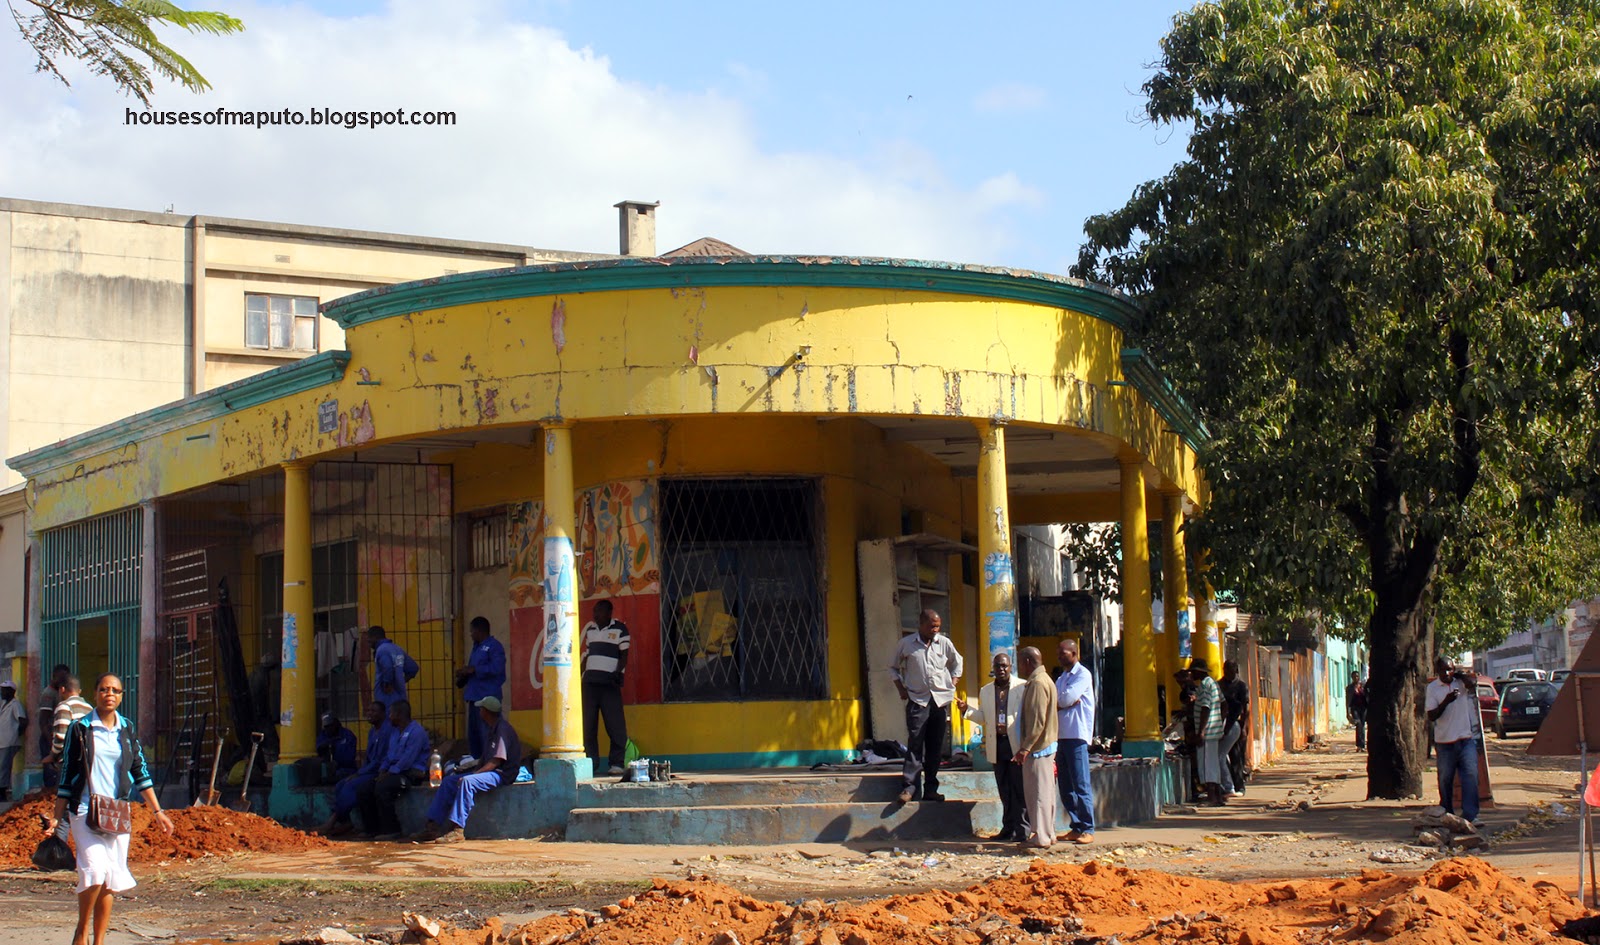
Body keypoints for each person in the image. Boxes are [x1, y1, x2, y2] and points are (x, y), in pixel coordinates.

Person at [45, 673, 174, 945]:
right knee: (94, 869)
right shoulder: (80, 728)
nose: (110, 694)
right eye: (104, 689)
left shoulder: (126, 728)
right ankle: (81, 933)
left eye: (115, 690)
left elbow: (140, 772)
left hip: (116, 813)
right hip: (83, 809)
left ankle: (99, 940)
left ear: (122, 695)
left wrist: (158, 811)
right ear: (95, 694)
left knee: (110, 879)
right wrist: (57, 818)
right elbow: (67, 774)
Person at [414, 696, 522, 843]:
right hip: (490, 772)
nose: (479, 712)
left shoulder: (502, 730)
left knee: (467, 782)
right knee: (448, 782)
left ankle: (458, 829)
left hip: (501, 774)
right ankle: (432, 826)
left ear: (486, 711)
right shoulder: (493, 728)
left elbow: (496, 761)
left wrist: (474, 775)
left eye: (481, 709)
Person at [890, 609, 964, 804]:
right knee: (915, 743)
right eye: (931, 626)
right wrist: (901, 689)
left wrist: (953, 682)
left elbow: (958, 663)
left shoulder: (944, 643)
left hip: (939, 701)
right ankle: (909, 788)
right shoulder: (906, 644)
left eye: (938, 626)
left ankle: (931, 788)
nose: (935, 630)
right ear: (921, 624)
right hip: (917, 700)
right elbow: (893, 667)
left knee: (934, 747)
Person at [957, 652, 1029, 841]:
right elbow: (984, 718)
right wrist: (967, 711)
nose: (1001, 669)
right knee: (1004, 789)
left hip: (1016, 745)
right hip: (997, 743)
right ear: (993, 669)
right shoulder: (986, 691)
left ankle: (1022, 831)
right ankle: (1007, 829)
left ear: (1011, 667)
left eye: (1005, 666)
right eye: (998, 666)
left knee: (1019, 789)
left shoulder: (1022, 687)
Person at [316, 701, 394, 837]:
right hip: (367, 769)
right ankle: (344, 822)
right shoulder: (372, 732)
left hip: (380, 771)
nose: (369, 714)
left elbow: (380, 760)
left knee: (350, 786)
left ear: (383, 714)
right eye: (368, 711)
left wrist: (359, 773)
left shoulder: (386, 731)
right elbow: (369, 758)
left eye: (374, 711)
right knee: (341, 784)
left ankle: (332, 821)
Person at [355, 699, 430, 841]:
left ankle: (392, 829)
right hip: (393, 771)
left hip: (411, 772)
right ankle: (372, 829)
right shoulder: (395, 732)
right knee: (364, 789)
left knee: (383, 787)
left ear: (399, 714)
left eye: (391, 713)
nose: (388, 717)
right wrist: (383, 770)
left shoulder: (416, 732)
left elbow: (407, 759)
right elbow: (390, 755)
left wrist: (390, 773)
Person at [1013, 646, 1059, 849]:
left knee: (1038, 793)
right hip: (1045, 746)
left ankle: (1040, 836)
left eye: (1020, 662)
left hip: (1039, 748)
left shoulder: (1038, 683)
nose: (1019, 666)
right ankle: (1048, 833)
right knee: (1046, 792)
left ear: (1028, 662)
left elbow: (1037, 721)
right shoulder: (1045, 679)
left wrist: (1025, 748)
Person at [1426, 656, 1480, 824]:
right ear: (1437, 671)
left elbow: (1473, 684)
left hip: (1465, 739)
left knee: (1470, 776)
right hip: (1445, 742)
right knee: (1445, 779)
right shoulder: (1433, 688)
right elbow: (1431, 715)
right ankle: (1447, 813)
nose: (1447, 673)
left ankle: (1471, 815)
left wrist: (1461, 676)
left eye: (1450, 669)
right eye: (1443, 670)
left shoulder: (1460, 683)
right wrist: (1446, 701)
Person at [580, 599, 630, 776]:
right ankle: (591, 764)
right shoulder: (591, 630)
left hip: (609, 683)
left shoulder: (620, 629)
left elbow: (624, 654)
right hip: (590, 684)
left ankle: (616, 763)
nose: (595, 615)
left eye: (598, 611)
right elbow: (586, 654)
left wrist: (617, 674)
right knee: (588, 726)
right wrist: (580, 676)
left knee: (615, 725)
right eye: (594, 611)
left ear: (609, 613)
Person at [1055, 639, 1097, 843]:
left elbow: (1063, 700)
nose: (1060, 656)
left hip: (1077, 735)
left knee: (1081, 784)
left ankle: (1088, 828)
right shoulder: (1062, 678)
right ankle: (1076, 825)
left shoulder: (1083, 674)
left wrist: (1062, 703)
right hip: (1061, 736)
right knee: (1065, 786)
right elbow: (1055, 701)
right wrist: (1063, 703)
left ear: (1074, 653)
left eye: (1064, 653)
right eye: (1059, 653)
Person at [455, 616, 507, 759]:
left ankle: (491, 764)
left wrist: (475, 669)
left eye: (472, 631)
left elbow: (498, 669)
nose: (470, 634)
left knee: (488, 735)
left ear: (479, 630)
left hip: (487, 699)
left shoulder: (494, 646)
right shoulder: (476, 648)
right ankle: (477, 764)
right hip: (473, 698)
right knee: (474, 736)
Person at [1190, 660, 1226, 806]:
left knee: (1207, 764)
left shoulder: (1205, 685)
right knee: (1214, 763)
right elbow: (1224, 705)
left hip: (1208, 732)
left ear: (1199, 671)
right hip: (1214, 730)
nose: (1192, 674)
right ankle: (1218, 796)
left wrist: (1201, 732)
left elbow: (1205, 708)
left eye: (1193, 671)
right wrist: (1218, 721)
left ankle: (1211, 797)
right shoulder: (1214, 683)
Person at [1219, 661, 1251, 797]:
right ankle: (1228, 785)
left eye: (1230, 669)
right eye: (1225, 669)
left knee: (1237, 756)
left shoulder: (1241, 686)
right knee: (1222, 755)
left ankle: (1239, 786)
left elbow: (1245, 709)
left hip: (1236, 724)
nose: (1227, 672)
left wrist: (1244, 727)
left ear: (1235, 670)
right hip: (1223, 724)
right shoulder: (1219, 684)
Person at [38, 663, 69, 787]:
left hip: (59, 737)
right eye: (60, 678)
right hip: (50, 738)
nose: (63, 681)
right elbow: (43, 721)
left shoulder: (61, 693)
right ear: (54, 677)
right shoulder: (49, 694)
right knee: (51, 772)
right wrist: (51, 741)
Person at [367, 626, 413, 709]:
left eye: (369, 641)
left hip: (386, 699)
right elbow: (413, 668)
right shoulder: (397, 649)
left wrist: (387, 684)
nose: (369, 645)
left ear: (375, 637)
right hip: (401, 698)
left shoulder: (381, 650)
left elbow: (388, 667)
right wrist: (400, 681)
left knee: (387, 720)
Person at [0, 679, 25, 801]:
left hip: (9, 741)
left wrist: (14, 734)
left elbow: (23, 721)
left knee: (3, 767)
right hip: (2, 740)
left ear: (12, 691)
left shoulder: (15, 704)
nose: (2, 692)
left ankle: (2, 793)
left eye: (4, 690)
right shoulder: (3, 704)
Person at [316, 714, 359, 780]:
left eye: (331, 725)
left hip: (347, 769)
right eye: (326, 727)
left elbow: (349, 758)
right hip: (328, 770)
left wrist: (336, 758)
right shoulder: (323, 735)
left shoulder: (347, 735)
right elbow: (318, 749)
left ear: (336, 723)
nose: (328, 729)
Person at [1347, 671, 1368, 752]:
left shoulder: (1363, 686)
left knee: (1362, 726)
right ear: (1352, 678)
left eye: (1357, 676)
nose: (1356, 678)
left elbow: (1367, 696)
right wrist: (1348, 712)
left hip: (1363, 708)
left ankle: (1362, 746)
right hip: (1354, 708)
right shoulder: (1349, 688)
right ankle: (1359, 745)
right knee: (1358, 724)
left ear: (1359, 677)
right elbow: (1347, 701)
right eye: (1354, 676)